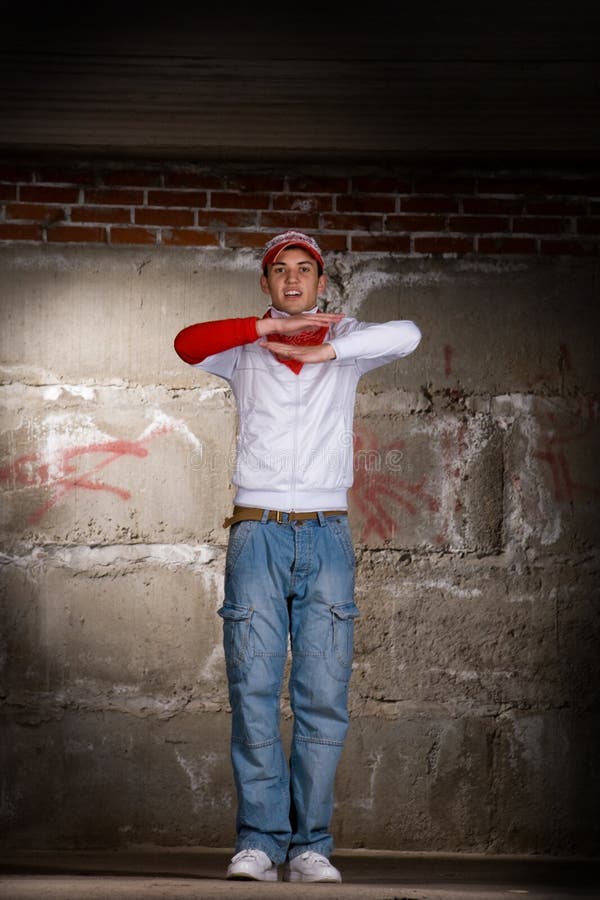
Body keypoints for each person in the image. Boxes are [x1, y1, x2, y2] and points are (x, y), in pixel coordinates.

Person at [173, 230, 421, 883]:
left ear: (320, 280)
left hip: (327, 533)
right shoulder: (242, 348)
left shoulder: (351, 343)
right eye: (279, 270)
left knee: (321, 693)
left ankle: (311, 845)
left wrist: (327, 347)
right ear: (266, 282)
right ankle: (259, 840)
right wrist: (263, 329)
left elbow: (410, 333)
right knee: (252, 688)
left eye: (303, 270)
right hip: (257, 531)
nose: (291, 280)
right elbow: (185, 343)